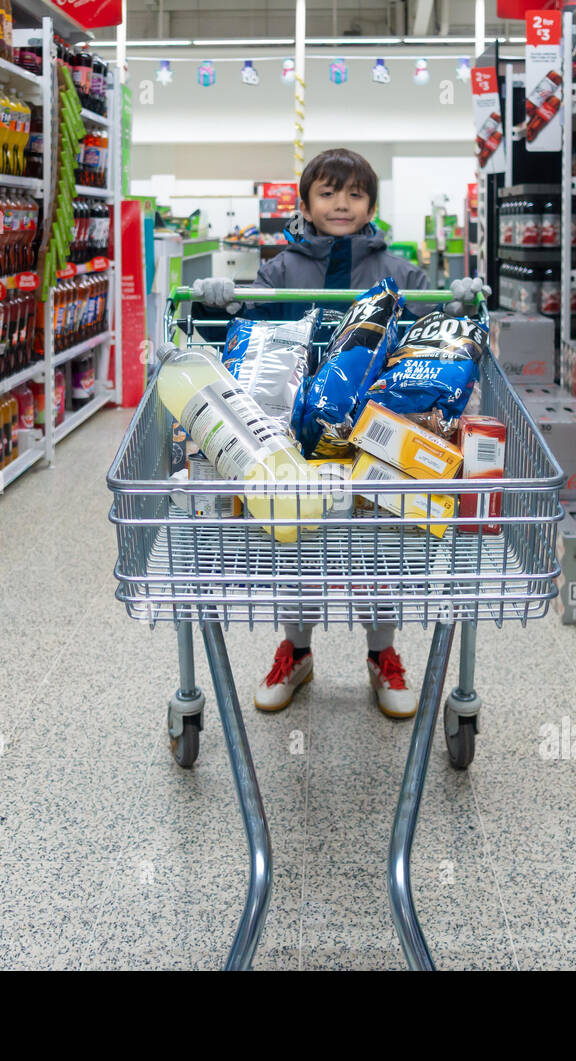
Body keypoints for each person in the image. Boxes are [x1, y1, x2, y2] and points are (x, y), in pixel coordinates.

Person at [193, 147, 487, 719]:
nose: (342, 204)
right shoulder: (280, 270)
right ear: (304, 204)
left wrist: (459, 301)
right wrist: (220, 305)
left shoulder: (399, 271)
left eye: (354, 193)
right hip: (295, 438)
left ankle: (383, 656)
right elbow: (244, 336)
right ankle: (296, 652)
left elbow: (435, 332)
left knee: (379, 552)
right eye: (327, 193)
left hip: (382, 439)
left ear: (372, 204)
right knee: (296, 543)